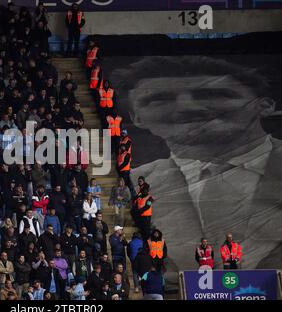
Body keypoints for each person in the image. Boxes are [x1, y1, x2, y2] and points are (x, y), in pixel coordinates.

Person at [119, 56, 282, 271]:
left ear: (265, 105)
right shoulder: (135, 182)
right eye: (159, 99)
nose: (187, 107)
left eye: (212, 94)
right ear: (137, 117)